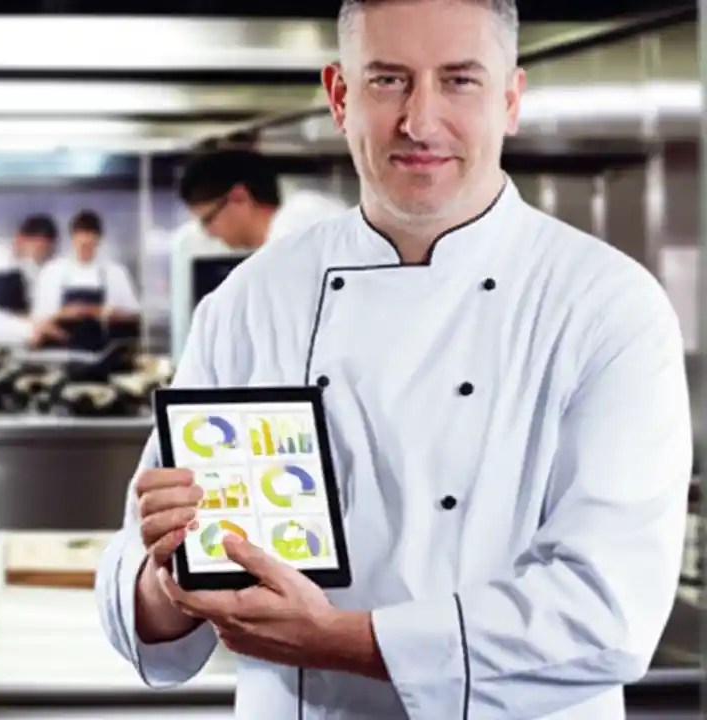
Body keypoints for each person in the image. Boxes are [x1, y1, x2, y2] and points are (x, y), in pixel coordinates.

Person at [96, 1, 691, 718]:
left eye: (460, 81)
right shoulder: (253, 298)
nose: (420, 120)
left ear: (510, 100)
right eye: (388, 81)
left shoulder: (605, 305)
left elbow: (607, 614)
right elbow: (148, 600)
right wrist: (169, 578)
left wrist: (339, 640)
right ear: (340, 96)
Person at [170, 149, 351, 360]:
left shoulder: (301, 226)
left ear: (239, 198)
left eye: (208, 219)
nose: (209, 233)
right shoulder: (287, 231)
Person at [0, 228, 66, 352]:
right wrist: (34, 327)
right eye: (40, 248)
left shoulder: (10, 263)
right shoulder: (0, 262)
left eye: (47, 250)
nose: (42, 254)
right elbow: (7, 309)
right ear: (21, 239)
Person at [31, 209, 140, 329]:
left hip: (105, 346)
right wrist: (66, 313)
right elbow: (39, 317)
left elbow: (133, 315)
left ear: (99, 240)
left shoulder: (115, 273)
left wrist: (105, 313)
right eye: (80, 239)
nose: (84, 245)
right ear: (72, 238)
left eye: (90, 240)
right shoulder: (52, 271)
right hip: (61, 345)